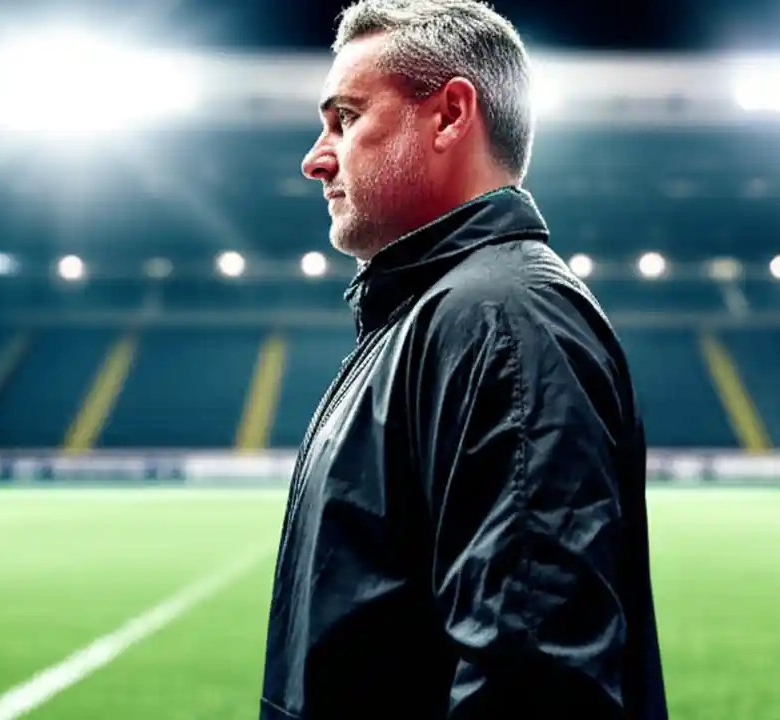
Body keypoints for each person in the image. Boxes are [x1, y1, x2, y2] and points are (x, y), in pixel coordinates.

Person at [260, 1, 668, 718]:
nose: (315, 157)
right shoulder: (437, 315)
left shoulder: (503, 321)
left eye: (346, 118)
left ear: (450, 115)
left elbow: (534, 687)